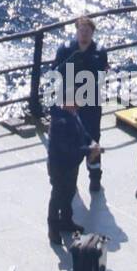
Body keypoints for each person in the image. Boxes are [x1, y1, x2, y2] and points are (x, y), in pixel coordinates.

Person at [53, 16, 110, 192]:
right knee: (70, 142)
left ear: (92, 33)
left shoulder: (99, 52)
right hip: (69, 104)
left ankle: (95, 177)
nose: (84, 34)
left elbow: (99, 78)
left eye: (88, 31)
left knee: (93, 140)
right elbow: (56, 74)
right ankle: (71, 178)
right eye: (81, 30)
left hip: (90, 105)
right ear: (76, 31)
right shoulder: (65, 49)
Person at [46, 102, 100, 244]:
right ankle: (53, 229)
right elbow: (68, 148)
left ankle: (66, 220)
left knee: (69, 192)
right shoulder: (60, 122)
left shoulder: (73, 115)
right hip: (59, 166)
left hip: (71, 164)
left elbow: (83, 133)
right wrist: (89, 150)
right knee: (57, 196)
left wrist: (92, 142)